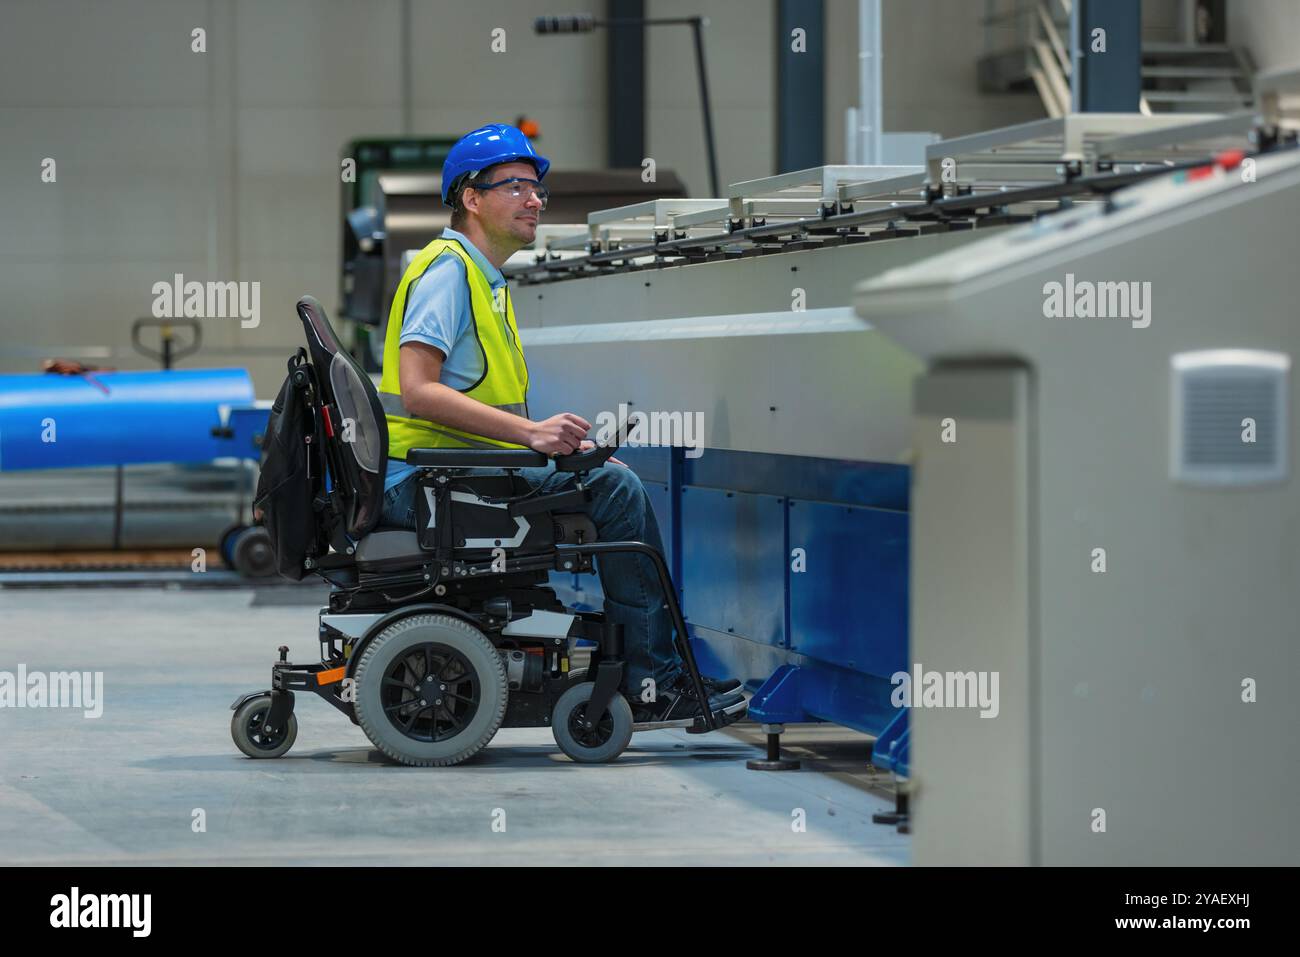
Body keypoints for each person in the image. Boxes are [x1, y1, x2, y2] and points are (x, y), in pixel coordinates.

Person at [377, 123, 743, 724]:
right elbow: (419, 393)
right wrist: (532, 437)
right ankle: (653, 683)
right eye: (516, 186)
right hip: (424, 482)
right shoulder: (448, 273)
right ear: (471, 198)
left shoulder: (482, 278)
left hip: (453, 470)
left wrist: (564, 454)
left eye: (537, 189)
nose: (535, 200)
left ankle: (650, 672)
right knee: (619, 493)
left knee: (605, 479)